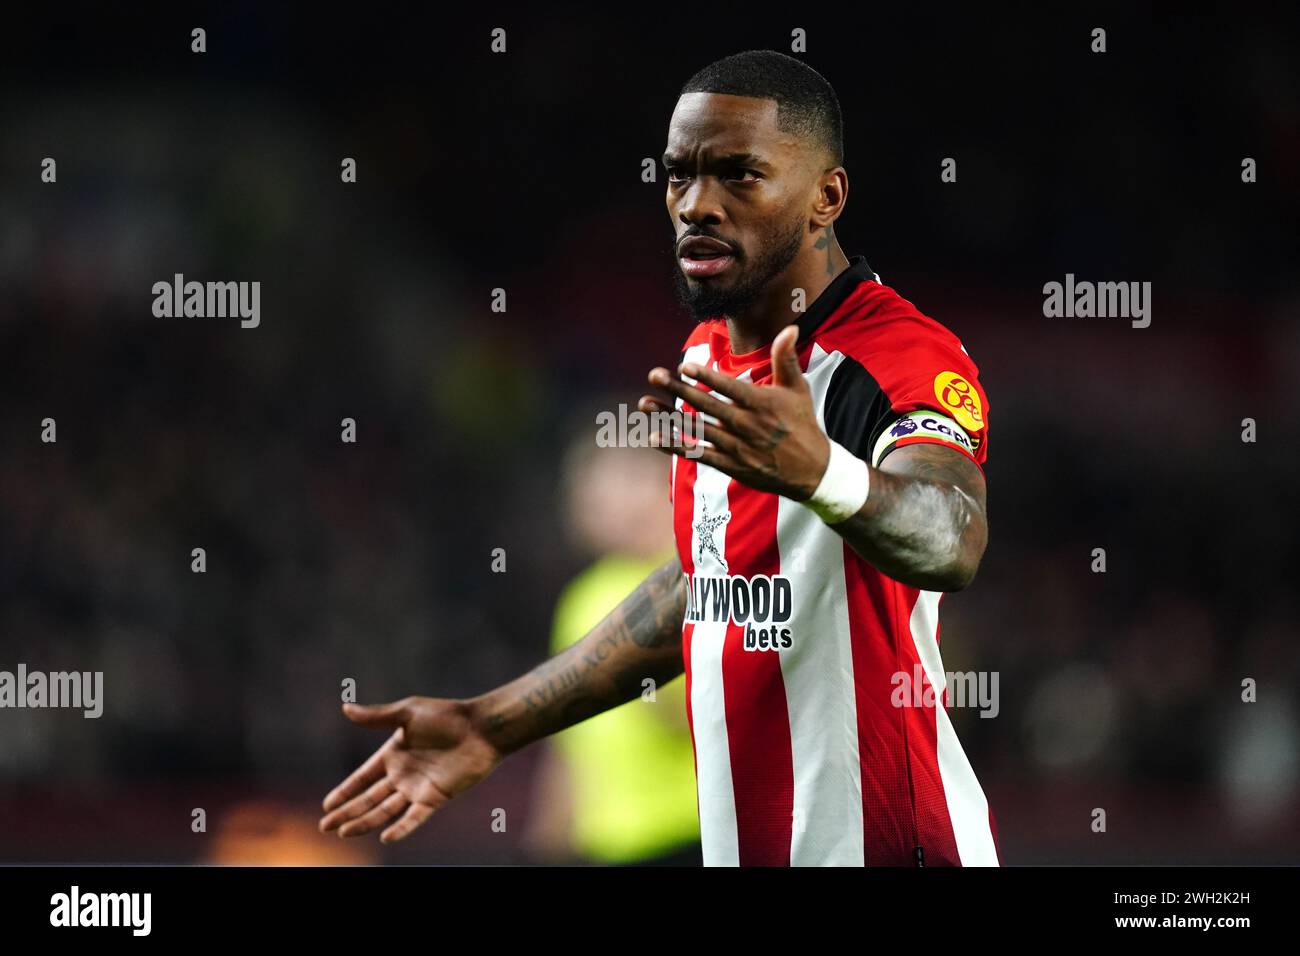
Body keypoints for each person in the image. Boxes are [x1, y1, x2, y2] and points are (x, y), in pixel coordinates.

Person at [320, 49, 1000, 866]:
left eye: (740, 176)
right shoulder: (707, 356)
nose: (697, 205)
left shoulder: (896, 358)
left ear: (827, 198)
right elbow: (704, 582)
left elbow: (951, 535)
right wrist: (492, 724)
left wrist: (822, 471)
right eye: (680, 175)